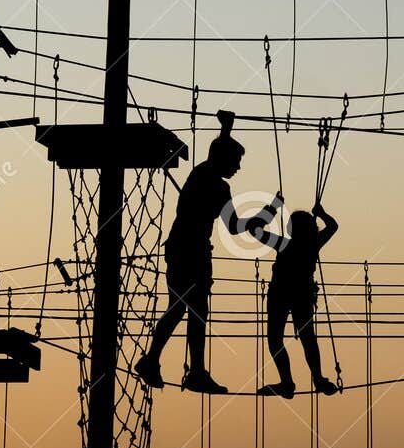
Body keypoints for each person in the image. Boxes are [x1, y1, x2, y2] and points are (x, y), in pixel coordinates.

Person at [136, 112, 278, 394]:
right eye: (236, 162)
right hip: (193, 251)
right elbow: (236, 226)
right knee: (193, 310)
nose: (238, 167)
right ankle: (190, 370)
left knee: (181, 308)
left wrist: (226, 128)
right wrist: (268, 212)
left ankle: (159, 362)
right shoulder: (217, 184)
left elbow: (218, 151)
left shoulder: (201, 172)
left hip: (181, 248)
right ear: (226, 160)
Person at [256, 203, 340, 399]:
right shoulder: (314, 243)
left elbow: (256, 231)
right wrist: (322, 213)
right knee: (307, 338)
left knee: (275, 339)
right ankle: (318, 378)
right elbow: (334, 226)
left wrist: (273, 209)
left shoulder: (284, 243)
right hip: (301, 294)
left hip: (280, 294)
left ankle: (287, 382)